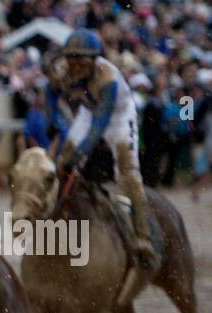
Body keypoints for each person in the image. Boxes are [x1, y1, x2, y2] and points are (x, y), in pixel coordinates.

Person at [49, 29, 156, 268]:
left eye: (81, 61)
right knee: (63, 158)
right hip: (89, 110)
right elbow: (50, 91)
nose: (75, 67)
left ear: (94, 60)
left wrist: (83, 150)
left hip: (117, 115)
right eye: (71, 60)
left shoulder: (108, 78)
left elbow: (100, 122)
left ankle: (143, 234)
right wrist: (51, 119)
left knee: (127, 173)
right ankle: (58, 210)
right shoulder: (62, 69)